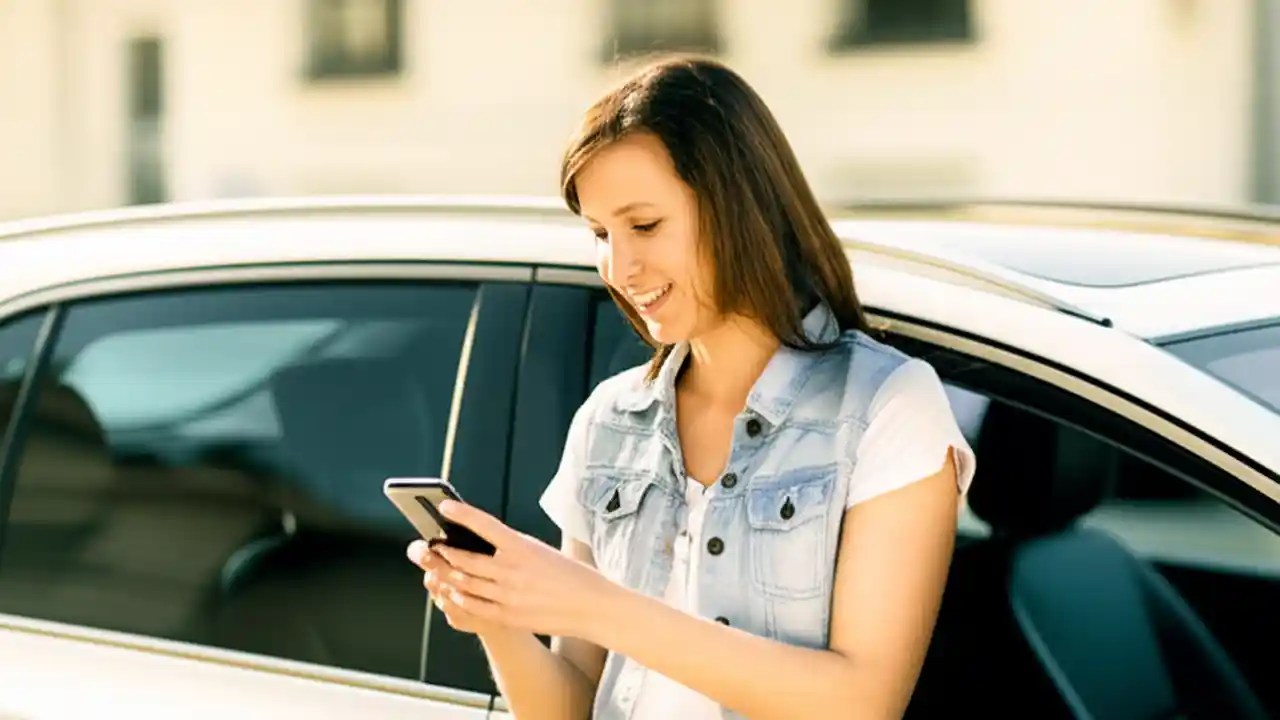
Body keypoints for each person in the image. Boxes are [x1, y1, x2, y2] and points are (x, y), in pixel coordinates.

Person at [407, 54, 976, 720]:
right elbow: (570, 710)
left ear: (736, 205)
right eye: (599, 234)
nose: (619, 266)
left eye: (643, 226)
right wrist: (498, 612)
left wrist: (592, 604)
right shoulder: (608, 422)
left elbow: (860, 705)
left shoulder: (888, 406)